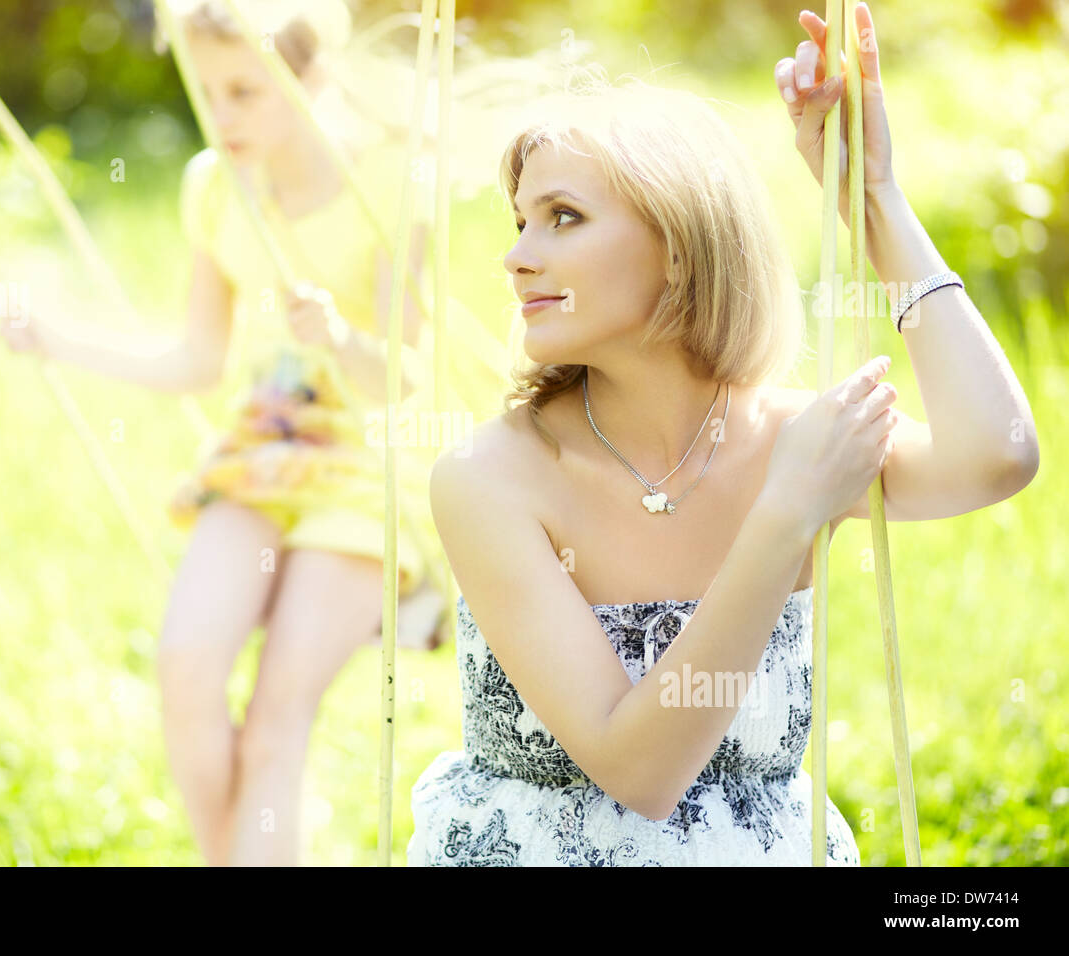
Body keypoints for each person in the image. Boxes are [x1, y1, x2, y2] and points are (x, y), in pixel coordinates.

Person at [407, 2, 1038, 865]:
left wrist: (875, 198)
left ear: (680, 245)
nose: (517, 254)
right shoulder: (491, 476)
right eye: (520, 221)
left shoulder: (797, 439)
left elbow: (997, 452)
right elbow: (640, 770)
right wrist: (785, 515)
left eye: (562, 216)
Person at [0, 0, 451, 866]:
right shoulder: (216, 187)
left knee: (277, 718)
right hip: (259, 459)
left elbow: (405, 375)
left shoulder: (387, 182)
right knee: (186, 666)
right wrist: (59, 340)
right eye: (208, 92)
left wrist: (343, 338)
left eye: (246, 90)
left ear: (311, 75)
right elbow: (199, 361)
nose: (223, 115)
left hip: (362, 469)